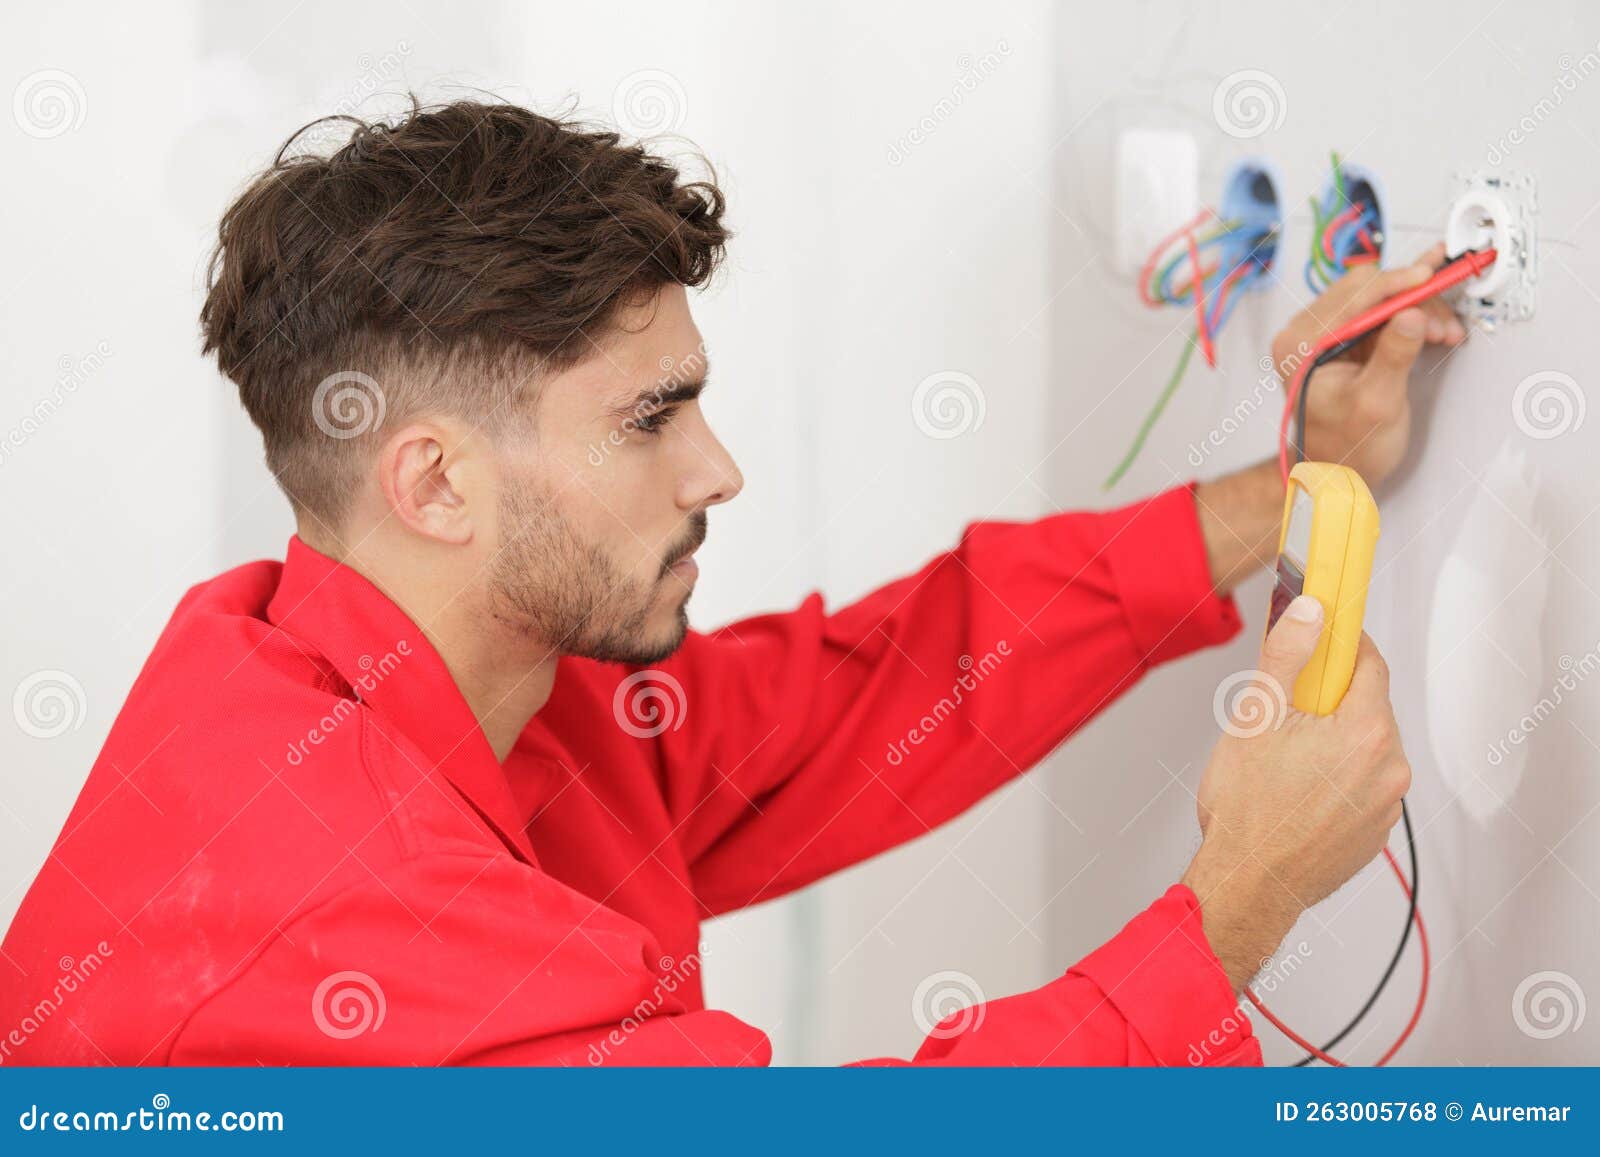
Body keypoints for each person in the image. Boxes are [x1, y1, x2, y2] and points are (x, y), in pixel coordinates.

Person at [0, 101, 1466, 1066]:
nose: (718, 468)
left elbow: (869, 698)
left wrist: (1288, 490)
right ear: (436, 481)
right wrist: (1238, 904)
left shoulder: (441, 676)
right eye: (652, 418)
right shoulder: (344, 914)